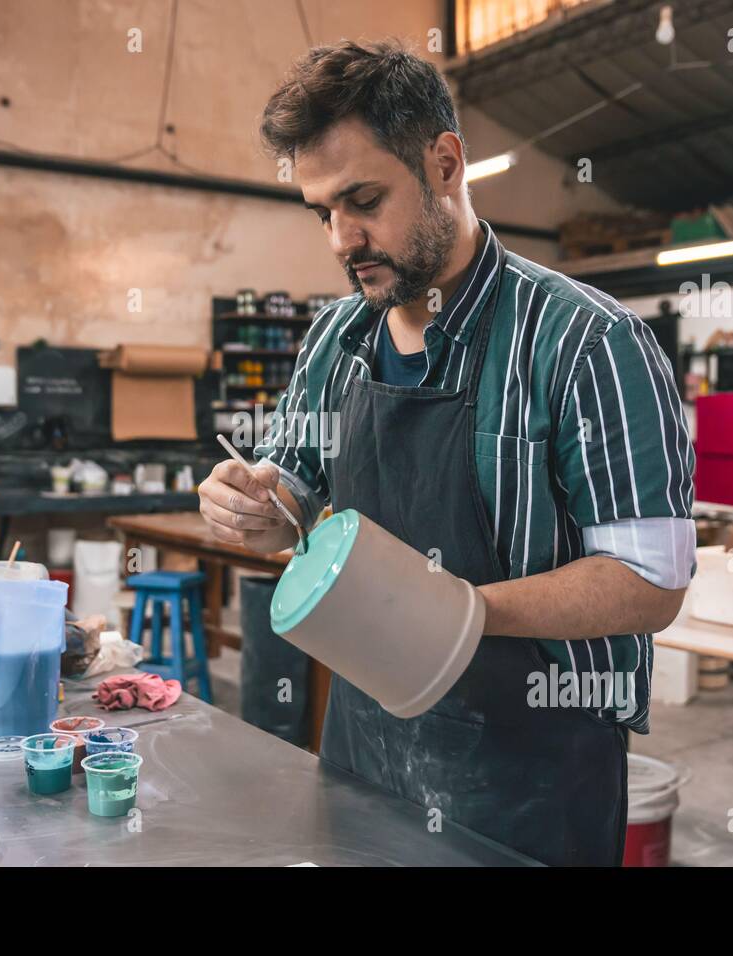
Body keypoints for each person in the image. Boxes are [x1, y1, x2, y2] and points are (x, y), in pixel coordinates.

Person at [198, 39, 695, 866]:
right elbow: (287, 507)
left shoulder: (586, 343)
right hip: (365, 744)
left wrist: (456, 617)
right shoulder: (335, 340)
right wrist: (249, 507)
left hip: (531, 773)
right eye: (322, 211)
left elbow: (652, 580)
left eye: (363, 199)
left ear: (445, 163)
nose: (340, 238)